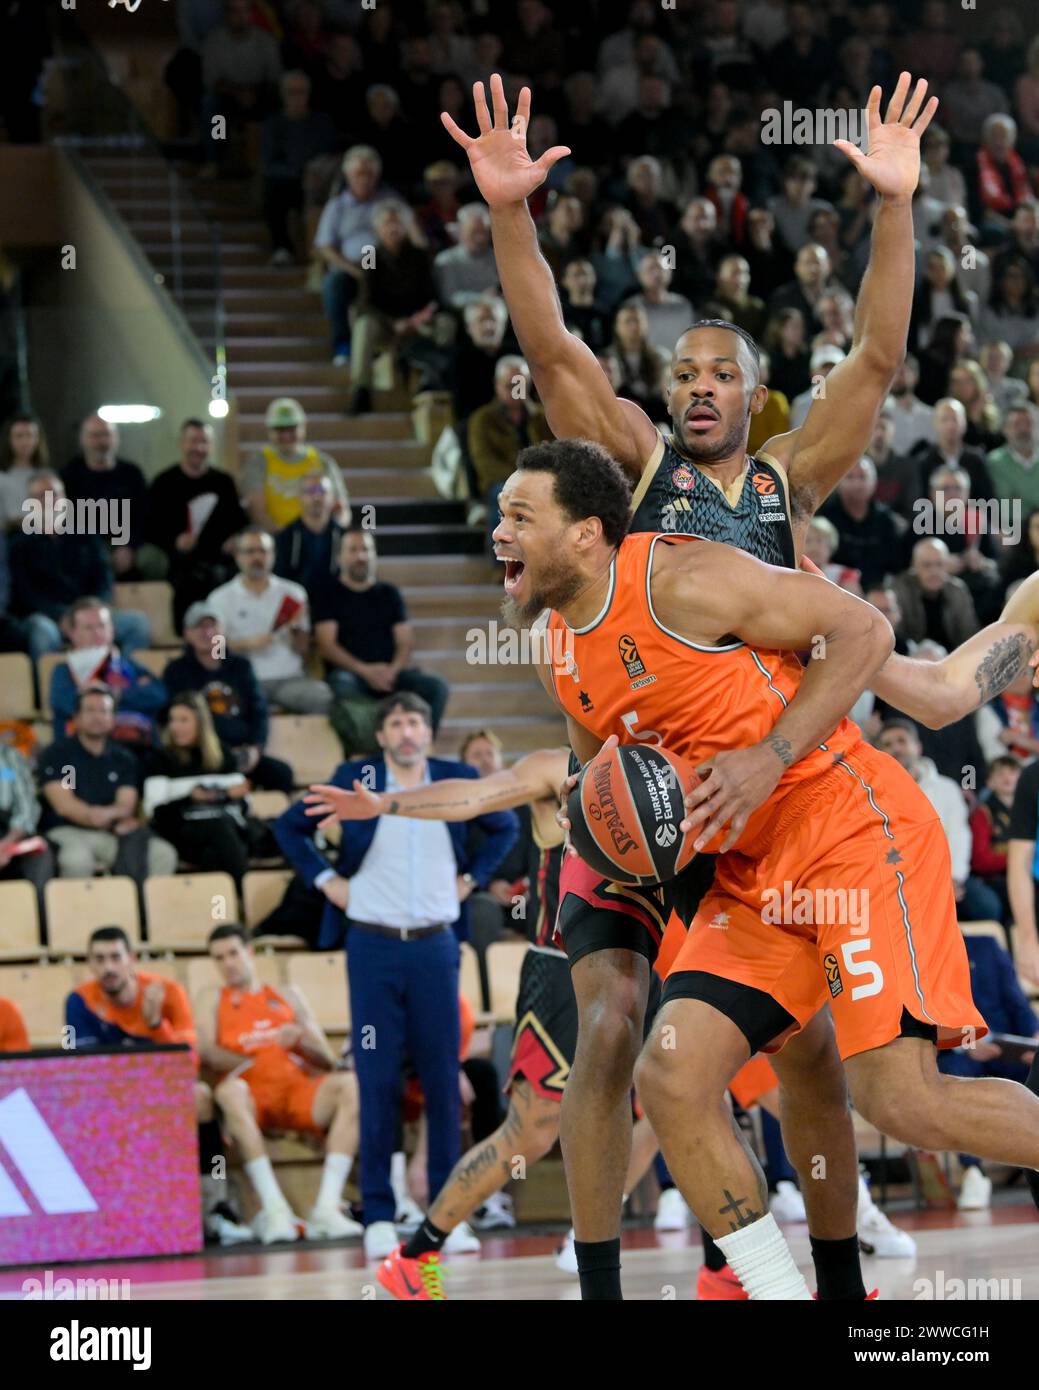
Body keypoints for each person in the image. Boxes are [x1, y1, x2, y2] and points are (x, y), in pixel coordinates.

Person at [443, 70, 936, 1301]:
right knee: (614, 1029)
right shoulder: (634, 469)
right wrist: (511, 215)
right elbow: (549, 342)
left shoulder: (785, 482)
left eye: (724, 369)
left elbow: (876, 354)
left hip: (767, 801)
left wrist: (891, 204)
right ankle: (608, 1276)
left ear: (756, 393)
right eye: (686, 369)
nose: (701, 382)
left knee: (807, 1050)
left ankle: (802, 1272)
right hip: (641, 796)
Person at [501, 437, 1037, 1303]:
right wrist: (593, 821)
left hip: (844, 830)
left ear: (586, 534)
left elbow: (868, 632)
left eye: (519, 516)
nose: (499, 533)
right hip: (744, 876)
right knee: (671, 1074)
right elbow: (614, 783)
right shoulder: (554, 649)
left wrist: (768, 754)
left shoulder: (682, 578)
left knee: (900, 1101)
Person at [274, 692, 518, 1263]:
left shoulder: (456, 777)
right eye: (395, 724)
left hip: (435, 945)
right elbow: (290, 829)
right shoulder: (354, 777)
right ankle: (379, 1214)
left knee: (442, 1081)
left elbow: (505, 828)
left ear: (430, 733)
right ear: (381, 736)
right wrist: (326, 881)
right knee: (377, 1079)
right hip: (372, 944)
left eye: (415, 722)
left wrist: (470, 880)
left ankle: (445, 1216)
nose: (407, 732)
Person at [65, 924, 249, 1244]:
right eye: (100, 959)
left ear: (131, 959)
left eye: (115, 957)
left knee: (201, 1096)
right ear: (90, 964)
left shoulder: (168, 993)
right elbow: (84, 1072)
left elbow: (188, 1064)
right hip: (110, 1100)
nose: (108, 967)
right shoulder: (79, 1002)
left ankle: (215, 1207)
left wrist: (154, 1024)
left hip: (160, 1094)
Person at [197, 923, 361, 1243]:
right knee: (229, 1092)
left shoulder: (287, 995)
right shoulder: (211, 998)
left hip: (297, 1090)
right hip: (249, 1094)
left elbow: (328, 1059)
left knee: (352, 1085)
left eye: (233, 953)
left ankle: (327, 1207)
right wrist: (253, 1062)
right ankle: (274, 1209)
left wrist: (301, 1043)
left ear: (250, 952)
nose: (228, 963)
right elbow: (204, 1051)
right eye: (219, 958)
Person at [313, 527, 449, 733]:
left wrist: (392, 671)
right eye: (353, 550)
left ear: (374, 555)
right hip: (351, 675)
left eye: (366, 549)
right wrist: (365, 671)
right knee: (341, 688)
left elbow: (405, 641)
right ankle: (376, 745)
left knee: (436, 687)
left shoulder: (389, 593)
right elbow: (326, 645)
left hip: (390, 673)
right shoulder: (327, 593)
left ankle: (422, 745)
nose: (360, 556)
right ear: (340, 556)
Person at [38, 688, 177, 889]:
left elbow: (126, 804)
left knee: (162, 854)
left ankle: (144, 916)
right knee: (76, 860)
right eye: (90, 710)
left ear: (113, 718)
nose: (98, 717)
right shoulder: (59, 754)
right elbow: (64, 805)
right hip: (67, 831)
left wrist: (107, 815)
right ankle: (81, 918)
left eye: (104, 711)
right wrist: (90, 815)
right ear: (76, 717)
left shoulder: (123, 758)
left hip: (110, 832)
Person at [11, 472, 150, 664]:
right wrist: (65, 617)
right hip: (49, 618)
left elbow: (104, 578)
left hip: (90, 612)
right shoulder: (18, 544)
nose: (49, 500)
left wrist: (93, 612)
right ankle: (50, 690)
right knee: (41, 631)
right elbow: (25, 593)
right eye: (41, 495)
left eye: (54, 493)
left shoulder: (88, 536)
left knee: (137, 623)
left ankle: (122, 683)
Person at [876, 718, 1001, 923]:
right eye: (887, 745)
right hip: (896, 878)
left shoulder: (947, 788)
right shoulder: (871, 795)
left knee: (988, 907)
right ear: (878, 754)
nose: (896, 749)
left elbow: (959, 836)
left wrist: (954, 878)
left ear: (917, 746)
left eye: (901, 741)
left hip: (945, 874)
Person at [161, 602, 293, 795]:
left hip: (241, 753)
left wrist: (255, 748)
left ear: (223, 630)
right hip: (202, 755)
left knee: (281, 774)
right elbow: (173, 717)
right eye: (199, 626)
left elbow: (259, 711)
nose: (207, 632)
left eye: (212, 626)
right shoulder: (177, 671)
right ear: (186, 633)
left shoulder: (239, 667)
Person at [205, 527, 332, 715]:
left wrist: (296, 631)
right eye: (250, 551)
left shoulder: (294, 593)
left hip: (289, 679)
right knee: (220, 702)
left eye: (263, 551)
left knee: (324, 698)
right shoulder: (219, 598)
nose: (257, 557)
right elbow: (215, 652)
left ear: (273, 555)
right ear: (238, 556)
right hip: (243, 680)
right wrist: (244, 644)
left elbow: (303, 649)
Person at [142, 419, 248, 630]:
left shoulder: (224, 482)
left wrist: (235, 540)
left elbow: (239, 523)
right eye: (193, 441)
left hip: (217, 559)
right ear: (182, 444)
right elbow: (150, 527)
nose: (198, 448)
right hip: (178, 561)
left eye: (204, 442)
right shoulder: (164, 483)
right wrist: (175, 542)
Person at [143, 693, 253, 889]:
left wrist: (222, 795)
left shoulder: (223, 756)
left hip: (224, 833)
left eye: (184, 720)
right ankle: (244, 894)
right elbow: (155, 814)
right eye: (172, 721)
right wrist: (190, 799)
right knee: (220, 830)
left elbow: (243, 804)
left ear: (201, 722)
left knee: (214, 852)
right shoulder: (160, 759)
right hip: (180, 832)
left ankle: (223, 909)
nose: (176, 727)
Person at [345, 201, 439, 417]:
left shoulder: (419, 255)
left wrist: (415, 320)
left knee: (444, 326)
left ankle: (437, 383)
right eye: (388, 223)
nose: (393, 228)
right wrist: (393, 323)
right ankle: (361, 389)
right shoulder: (370, 254)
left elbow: (432, 298)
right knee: (363, 324)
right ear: (378, 228)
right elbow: (364, 302)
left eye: (398, 223)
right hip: (384, 322)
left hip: (416, 322)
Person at [49, 597, 168, 751]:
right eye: (88, 628)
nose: (97, 633)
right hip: (83, 751)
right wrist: (126, 694)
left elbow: (158, 695)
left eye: (102, 626)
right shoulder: (64, 670)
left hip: (135, 746)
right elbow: (66, 704)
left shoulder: (128, 664)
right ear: (72, 633)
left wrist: (115, 694)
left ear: (111, 630)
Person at [314, 146, 395, 364]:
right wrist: (353, 270)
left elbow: (406, 231)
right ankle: (343, 346)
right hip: (350, 268)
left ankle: (382, 344)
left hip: (384, 266)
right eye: (359, 174)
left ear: (376, 175)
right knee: (334, 283)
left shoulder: (388, 201)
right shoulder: (337, 206)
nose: (364, 179)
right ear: (348, 175)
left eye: (368, 173)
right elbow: (325, 246)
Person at [466, 356, 552, 552]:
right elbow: (484, 463)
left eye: (520, 384)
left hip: (539, 482)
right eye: (509, 385)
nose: (515, 390)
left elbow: (553, 454)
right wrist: (520, 482)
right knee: (503, 497)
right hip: (500, 483)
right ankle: (500, 563)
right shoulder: (482, 420)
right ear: (497, 385)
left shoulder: (542, 417)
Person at [259, 70, 338, 266]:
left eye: (301, 91)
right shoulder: (272, 125)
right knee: (272, 191)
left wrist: (318, 172)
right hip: (288, 182)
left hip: (321, 182)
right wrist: (301, 174)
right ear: (282, 94)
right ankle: (282, 249)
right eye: (291, 92)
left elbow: (331, 153)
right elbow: (269, 163)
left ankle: (327, 255)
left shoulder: (322, 122)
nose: (297, 97)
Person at [62, 414, 151, 579]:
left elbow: (144, 516)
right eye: (95, 435)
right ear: (82, 440)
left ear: (116, 439)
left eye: (107, 435)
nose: (102, 441)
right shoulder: (69, 476)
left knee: (152, 560)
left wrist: (128, 546)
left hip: (127, 544)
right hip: (86, 546)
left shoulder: (132, 474)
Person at [241, 398, 348, 534]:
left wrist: (333, 536)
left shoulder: (322, 462)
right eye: (280, 429)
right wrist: (284, 541)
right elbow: (257, 510)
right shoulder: (258, 462)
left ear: (303, 426)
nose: (286, 435)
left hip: (317, 539)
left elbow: (341, 509)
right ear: (269, 430)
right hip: (276, 539)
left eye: (291, 428)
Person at [200, 0, 281, 173]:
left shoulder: (265, 40)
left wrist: (252, 93)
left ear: (251, 14)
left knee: (277, 102)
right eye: (235, 12)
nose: (240, 17)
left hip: (259, 97)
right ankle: (215, 159)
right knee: (213, 108)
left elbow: (274, 78)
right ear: (227, 15)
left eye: (245, 11)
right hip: (227, 97)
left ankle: (267, 163)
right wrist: (238, 93)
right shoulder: (214, 41)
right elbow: (211, 80)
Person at [893, 538, 980, 652]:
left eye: (939, 564)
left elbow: (969, 634)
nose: (934, 572)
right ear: (914, 566)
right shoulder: (900, 589)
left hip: (952, 658)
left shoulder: (958, 590)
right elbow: (898, 636)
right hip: (911, 659)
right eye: (927, 565)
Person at [273, 471, 350, 600]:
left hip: (336, 605)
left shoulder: (345, 538)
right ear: (299, 497)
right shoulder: (283, 538)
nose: (316, 497)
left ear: (333, 497)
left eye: (322, 491)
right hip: (295, 604)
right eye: (310, 491)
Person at [970, 755, 1020, 926]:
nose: (1007, 777)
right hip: (997, 880)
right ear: (990, 782)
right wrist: (1016, 857)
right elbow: (980, 860)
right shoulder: (983, 813)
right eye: (1000, 773)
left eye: (1013, 772)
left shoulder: (1030, 809)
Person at [433, 204, 498, 310]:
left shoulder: (498, 259)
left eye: (484, 232)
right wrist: (482, 299)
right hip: (462, 315)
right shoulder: (446, 260)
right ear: (461, 231)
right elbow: (450, 297)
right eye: (474, 232)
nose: (480, 238)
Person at [987, 404, 1039, 514]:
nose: (1024, 429)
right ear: (1005, 429)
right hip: (1007, 528)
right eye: (1017, 424)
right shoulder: (993, 463)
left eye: (1029, 423)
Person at [0, 411, 48, 521]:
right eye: (19, 436)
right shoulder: (2, 477)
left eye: (30, 435)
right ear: (8, 439)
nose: (25, 442)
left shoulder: (47, 474)